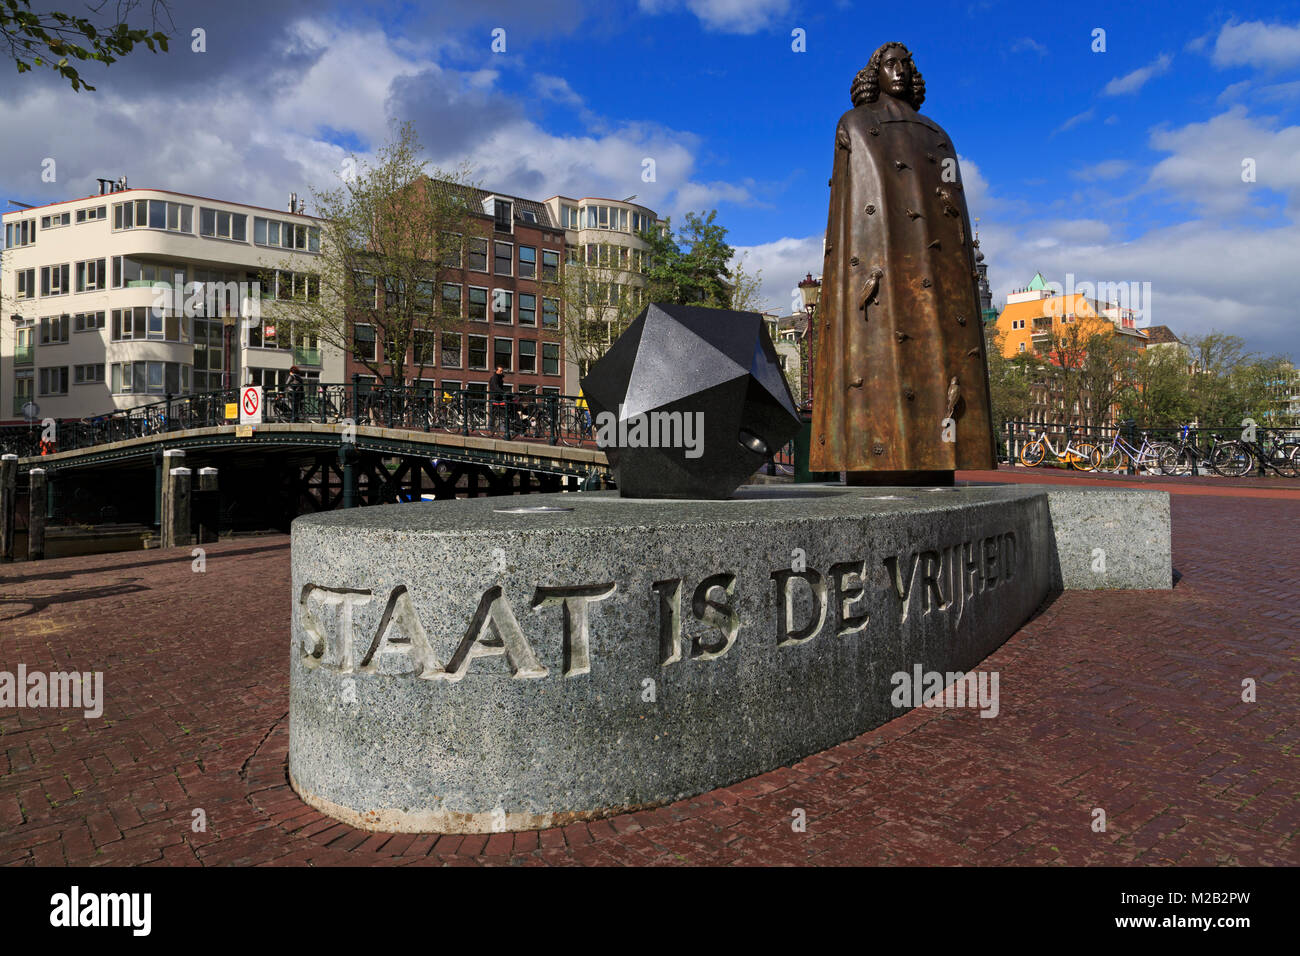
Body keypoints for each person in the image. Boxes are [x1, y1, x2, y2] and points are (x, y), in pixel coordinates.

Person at [810, 41, 997, 485]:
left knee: (936, 359)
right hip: (877, 264)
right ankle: (875, 450)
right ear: (875, 73)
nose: (898, 70)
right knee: (879, 362)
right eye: (889, 64)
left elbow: (953, 213)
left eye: (905, 64)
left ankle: (940, 448)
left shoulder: (937, 136)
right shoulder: (854, 125)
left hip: (934, 273)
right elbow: (847, 213)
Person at [488, 364, 509, 434]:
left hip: (499, 398)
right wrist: (503, 392)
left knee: (503, 413)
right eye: (500, 371)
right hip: (494, 398)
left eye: (502, 371)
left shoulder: (500, 378)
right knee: (492, 414)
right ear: (496, 371)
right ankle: (490, 429)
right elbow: (496, 387)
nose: (502, 372)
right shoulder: (494, 378)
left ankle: (503, 428)